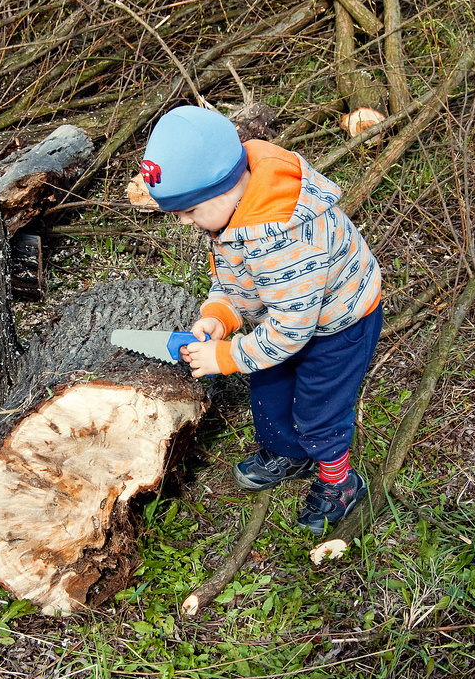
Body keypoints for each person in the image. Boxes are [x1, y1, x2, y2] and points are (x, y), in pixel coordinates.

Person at [140, 105, 382, 535]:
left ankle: (339, 483)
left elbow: (292, 329)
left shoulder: (283, 237)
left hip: (339, 324)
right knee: (268, 385)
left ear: (224, 188)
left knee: (318, 410)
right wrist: (220, 315)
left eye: (190, 212)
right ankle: (289, 453)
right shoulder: (235, 212)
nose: (184, 221)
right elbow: (240, 280)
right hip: (288, 314)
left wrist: (227, 355)